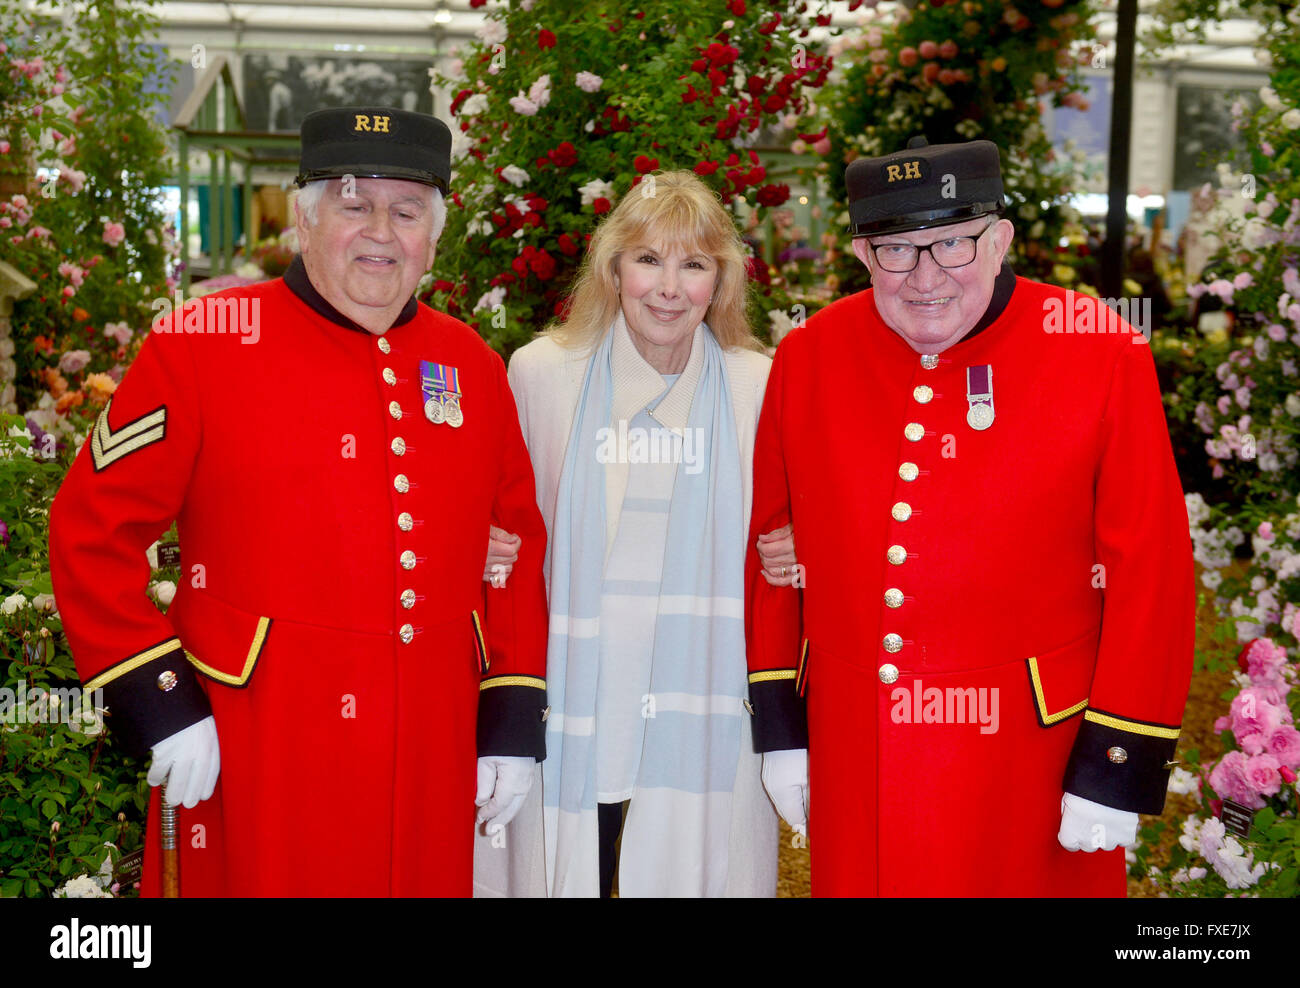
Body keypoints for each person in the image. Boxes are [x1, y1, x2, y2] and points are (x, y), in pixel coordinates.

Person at [48, 106, 549, 897]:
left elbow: (515, 548)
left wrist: (511, 716)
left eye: (407, 210)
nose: (381, 231)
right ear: (306, 219)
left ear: (433, 235)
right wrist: (159, 695)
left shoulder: (472, 365)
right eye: (354, 205)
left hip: (428, 747)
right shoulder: (205, 340)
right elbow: (90, 528)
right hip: (258, 744)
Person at [746, 138, 1194, 897]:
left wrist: (1120, 754)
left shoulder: (1100, 350)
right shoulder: (809, 356)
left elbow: (1151, 568)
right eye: (896, 250)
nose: (926, 277)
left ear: (1000, 240)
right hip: (861, 746)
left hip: (1029, 759)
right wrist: (785, 726)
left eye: (952, 243)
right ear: (860, 252)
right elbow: (773, 551)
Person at [474, 171, 789, 897]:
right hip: (574, 698)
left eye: (694, 264)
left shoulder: (756, 384)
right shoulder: (543, 375)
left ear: (722, 280)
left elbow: (793, 522)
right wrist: (477, 541)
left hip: (703, 704)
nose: (669, 287)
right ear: (614, 269)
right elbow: (501, 512)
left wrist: (801, 546)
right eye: (649, 259)